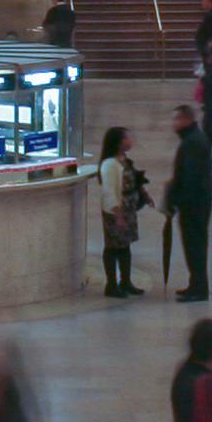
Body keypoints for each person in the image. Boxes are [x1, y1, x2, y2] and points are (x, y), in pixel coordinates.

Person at [164, 104, 212, 301]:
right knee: (194, 244)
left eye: (176, 119)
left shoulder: (192, 142)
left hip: (194, 204)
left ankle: (199, 288)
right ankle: (195, 284)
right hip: (196, 201)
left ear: (187, 120)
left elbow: (190, 177)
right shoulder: (193, 139)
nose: (174, 124)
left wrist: (178, 200)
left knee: (195, 245)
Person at [96, 125, 146, 297]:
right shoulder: (110, 164)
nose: (130, 141)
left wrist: (144, 196)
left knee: (124, 246)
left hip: (127, 210)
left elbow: (134, 182)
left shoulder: (124, 160)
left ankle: (125, 282)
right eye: (127, 138)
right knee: (113, 248)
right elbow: (108, 191)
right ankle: (111, 285)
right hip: (115, 212)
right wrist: (118, 215)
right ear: (118, 143)